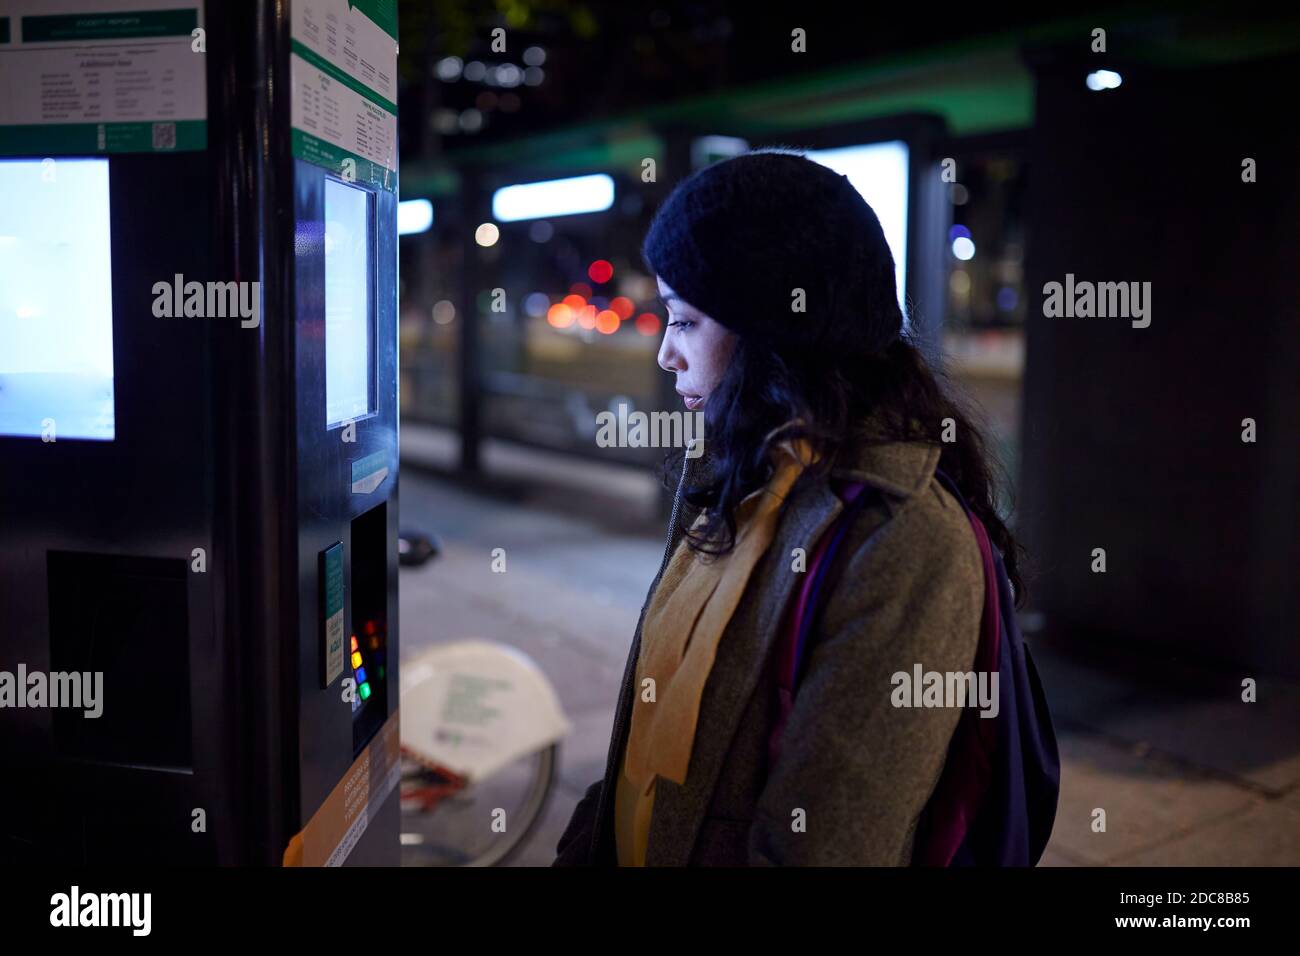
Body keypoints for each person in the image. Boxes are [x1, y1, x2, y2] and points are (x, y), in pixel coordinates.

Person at [553, 149, 1023, 866]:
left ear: (772, 331)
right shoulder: (737, 475)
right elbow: (638, 751)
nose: (665, 356)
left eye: (685, 322)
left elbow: (823, 846)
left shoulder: (902, 541)